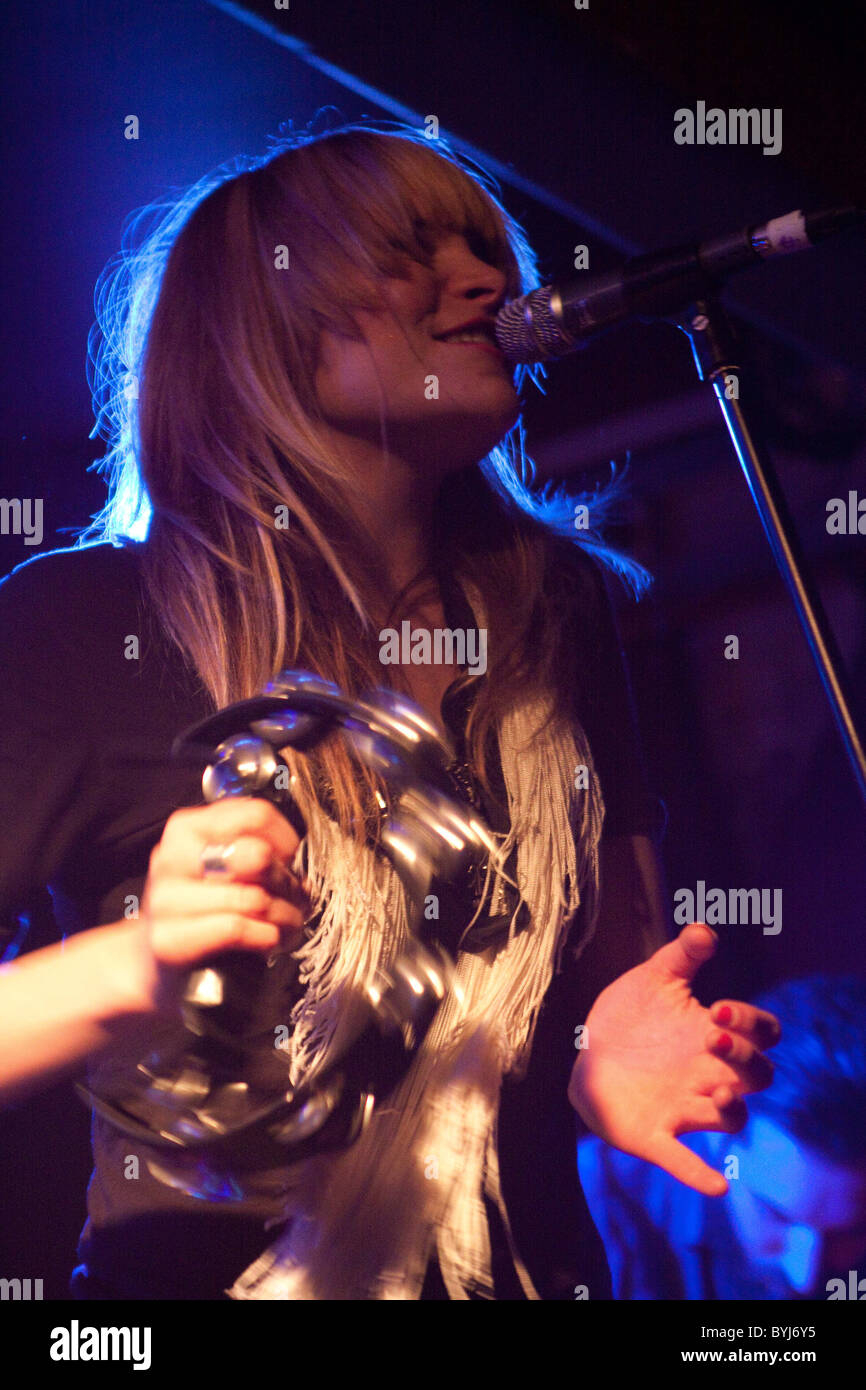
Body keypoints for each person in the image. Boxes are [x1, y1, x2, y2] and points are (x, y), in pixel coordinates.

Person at [0, 119, 779, 1301]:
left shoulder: (558, 612)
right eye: (412, 250)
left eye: (486, 249)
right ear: (265, 314)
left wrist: (611, 1046)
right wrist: (136, 963)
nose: (487, 281)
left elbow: (622, 973)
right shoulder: (78, 622)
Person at [578, 975, 866, 1299]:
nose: (805, 1277)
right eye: (775, 1214)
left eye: (851, 1233)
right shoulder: (590, 1203)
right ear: (717, 1132)